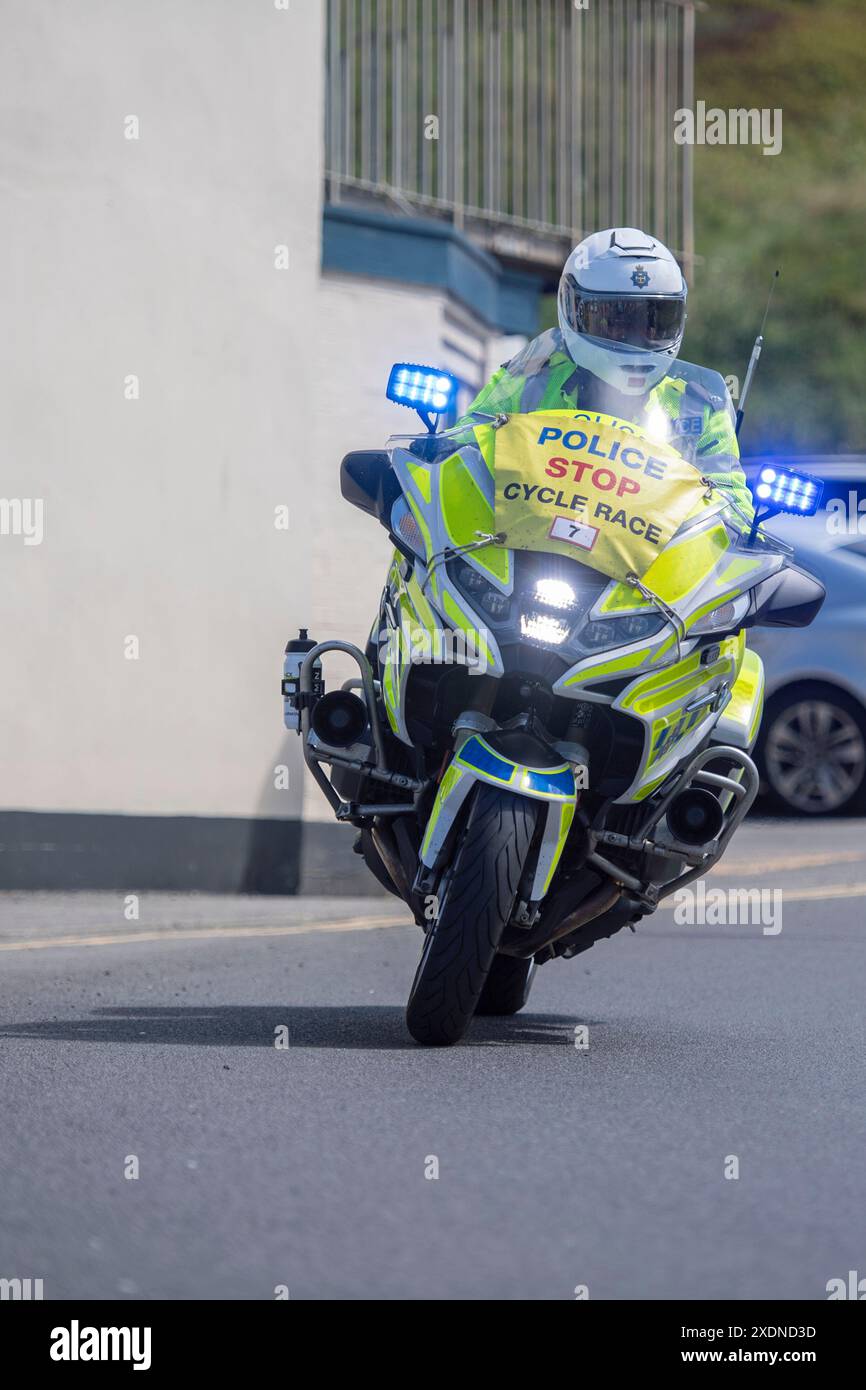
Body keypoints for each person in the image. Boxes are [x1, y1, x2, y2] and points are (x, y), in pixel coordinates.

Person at [464, 226, 753, 517]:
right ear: (571, 307)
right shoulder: (531, 380)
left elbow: (731, 501)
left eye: (654, 321)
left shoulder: (698, 405)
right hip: (531, 538)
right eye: (615, 321)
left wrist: (733, 520)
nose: (637, 338)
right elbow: (463, 450)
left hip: (655, 556)